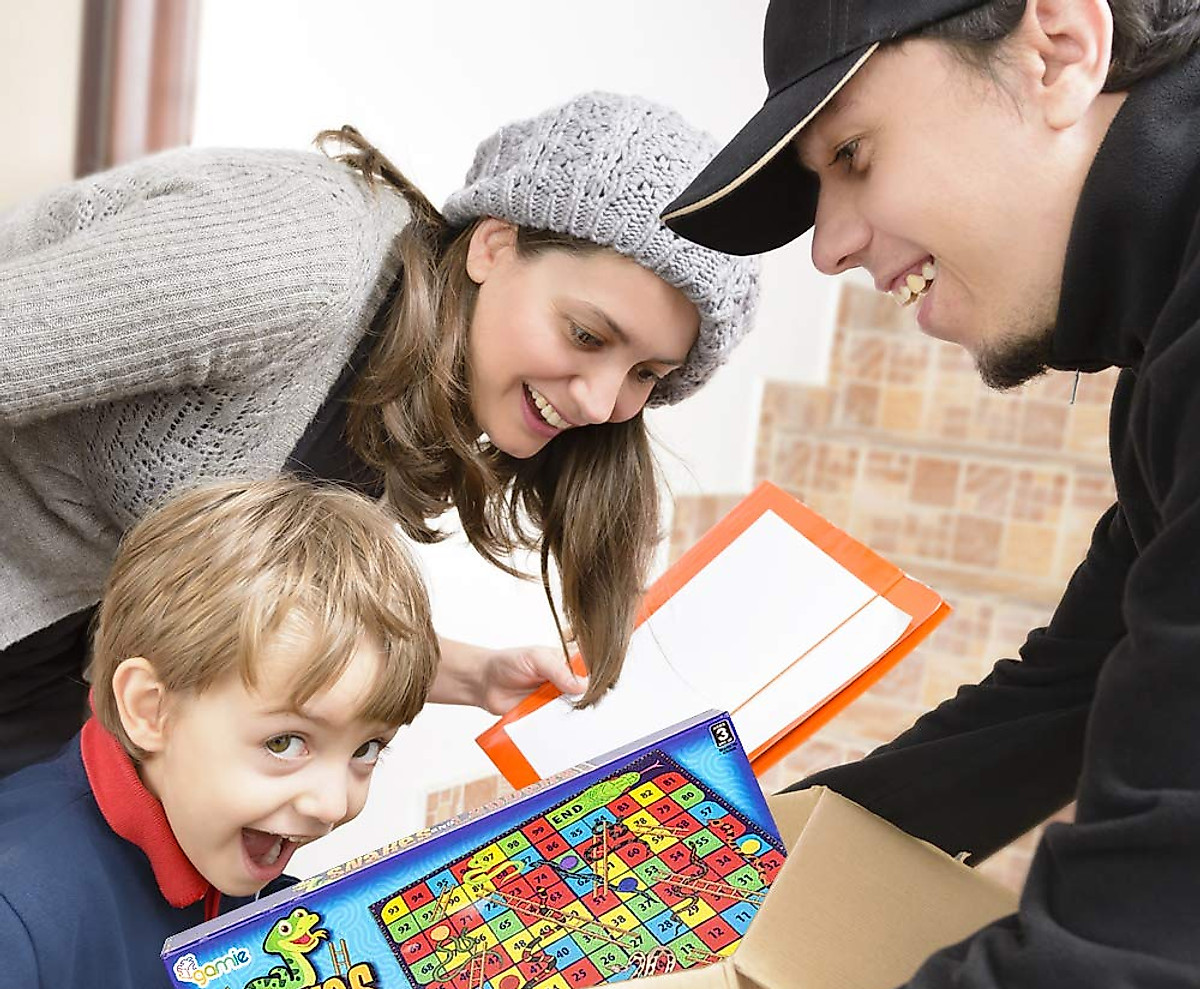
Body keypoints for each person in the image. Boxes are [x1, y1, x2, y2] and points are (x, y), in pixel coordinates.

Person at [354, 1, 1200, 989]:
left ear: (1059, 50)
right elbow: (1063, 693)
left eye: (852, 156)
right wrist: (713, 858)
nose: (831, 245)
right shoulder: (1166, 356)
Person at [0, 91, 759, 776]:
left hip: (55, 672)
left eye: (646, 375)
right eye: (588, 336)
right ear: (493, 245)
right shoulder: (292, 257)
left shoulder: (417, 383)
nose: (601, 402)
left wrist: (468, 675)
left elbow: (256, 595)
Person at [0, 475, 439, 989]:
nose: (333, 802)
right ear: (149, 711)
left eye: (367, 749)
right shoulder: (20, 888)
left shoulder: (248, 867)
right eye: (287, 741)